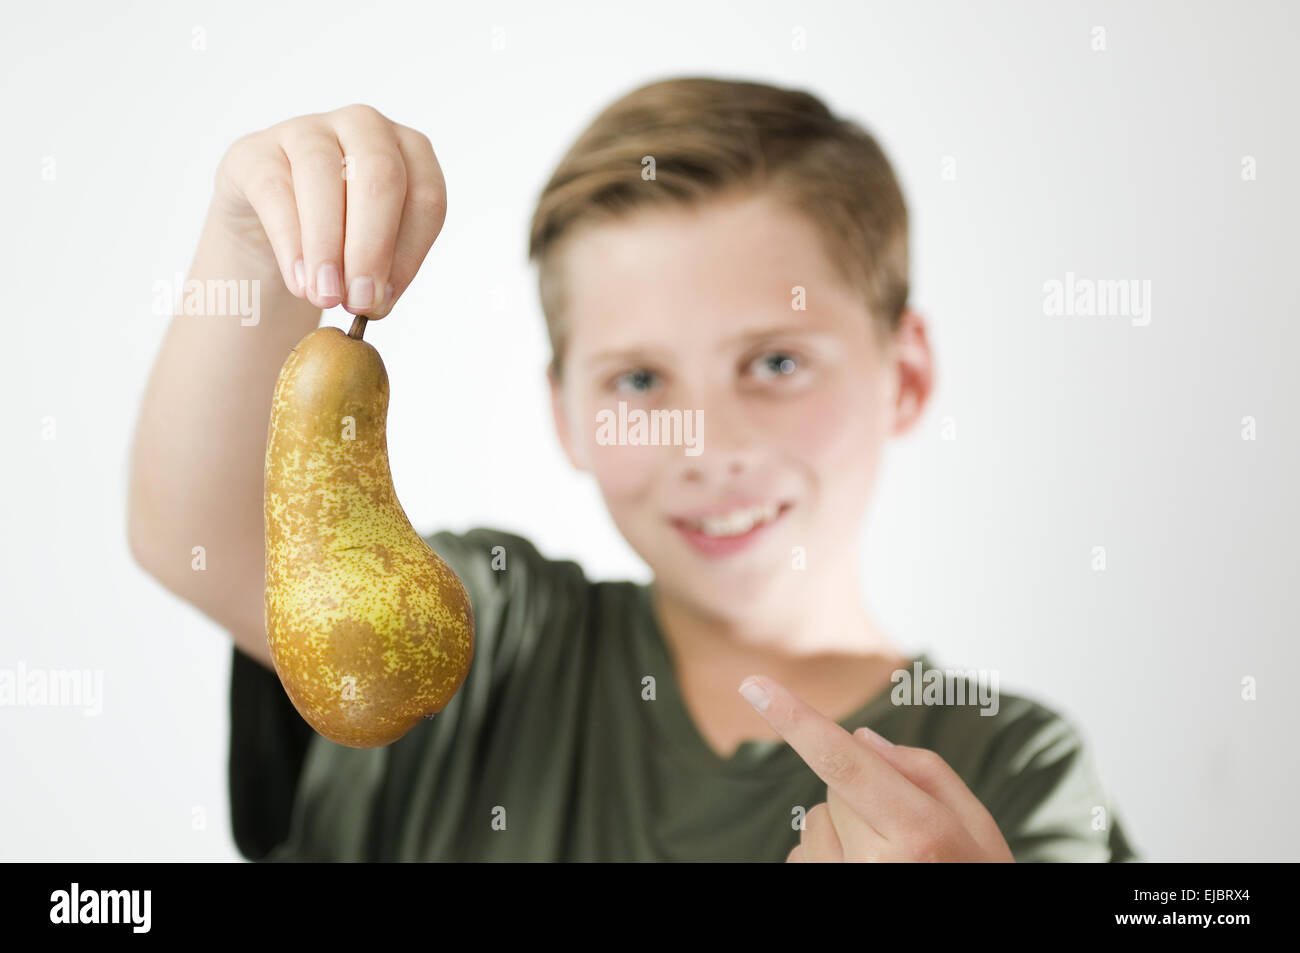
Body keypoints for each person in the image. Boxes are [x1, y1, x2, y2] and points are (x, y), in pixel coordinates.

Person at [127, 77, 1140, 862]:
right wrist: (247, 243)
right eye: (641, 379)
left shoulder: (1015, 769)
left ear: (905, 374)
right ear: (563, 413)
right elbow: (201, 540)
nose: (704, 443)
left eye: (776, 362)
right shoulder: (494, 638)